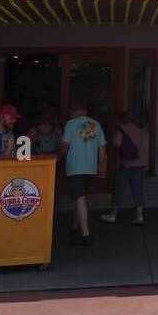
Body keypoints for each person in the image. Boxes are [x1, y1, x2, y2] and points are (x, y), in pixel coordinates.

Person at [60, 100, 106, 246]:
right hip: (90, 168)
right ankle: (75, 227)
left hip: (75, 167)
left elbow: (65, 144)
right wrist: (99, 166)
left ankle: (85, 235)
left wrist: (58, 155)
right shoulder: (95, 124)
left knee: (79, 199)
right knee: (81, 199)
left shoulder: (71, 124)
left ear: (72, 111)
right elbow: (103, 148)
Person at [102, 108, 147, 225]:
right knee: (137, 189)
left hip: (126, 164)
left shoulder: (120, 130)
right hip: (140, 162)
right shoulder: (137, 129)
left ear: (118, 120)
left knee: (119, 189)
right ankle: (139, 216)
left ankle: (112, 214)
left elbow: (117, 143)